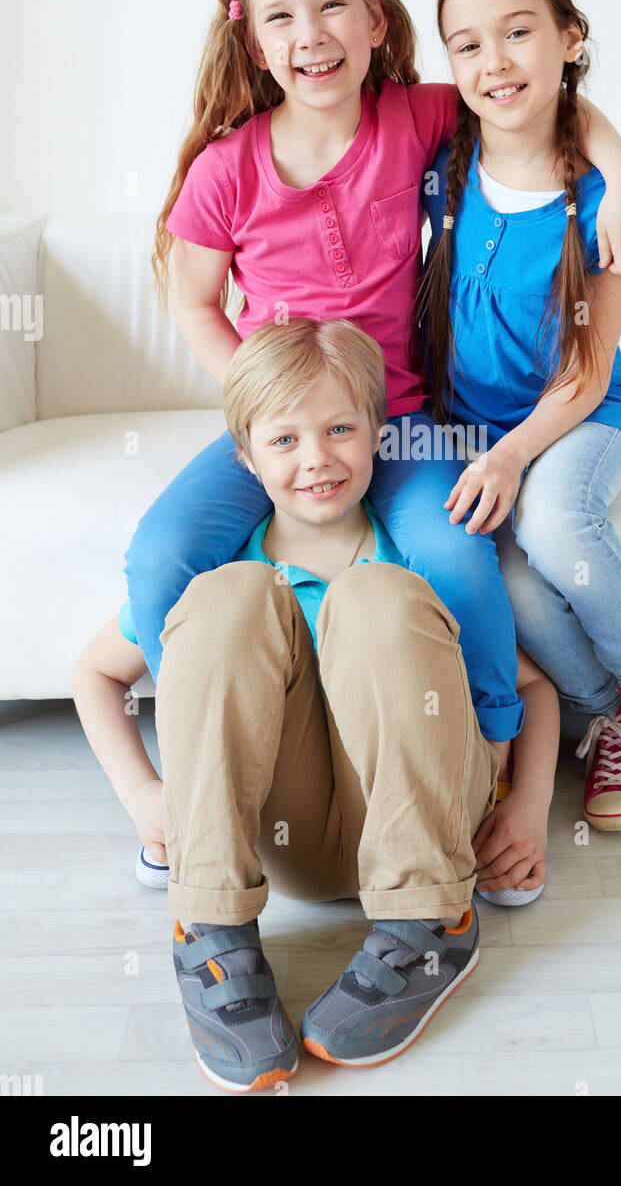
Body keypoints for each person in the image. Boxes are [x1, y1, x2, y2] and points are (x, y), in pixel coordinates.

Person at [123, 0, 621, 764]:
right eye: (282, 18)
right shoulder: (226, 170)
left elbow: (538, 102)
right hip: (272, 431)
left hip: (406, 421)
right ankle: (204, 764)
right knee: (157, 561)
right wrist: (257, 414)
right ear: (255, 46)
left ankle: (494, 761)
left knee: (457, 562)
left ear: (376, 18)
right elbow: (192, 299)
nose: (313, 35)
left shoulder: (416, 119)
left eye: (333, 6)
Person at [72, 317, 561, 1089]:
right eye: (285, 441)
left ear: (377, 434)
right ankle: (213, 929)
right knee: (228, 598)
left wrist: (530, 805)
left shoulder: (417, 547)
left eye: (340, 430)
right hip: (280, 835)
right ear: (245, 457)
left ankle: (433, 923)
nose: (317, 460)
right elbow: (95, 675)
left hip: (423, 824)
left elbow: (530, 684)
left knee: (375, 597)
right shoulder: (224, 559)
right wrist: (144, 797)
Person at [414, 0, 621, 832]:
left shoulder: (598, 199)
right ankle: (615, 713)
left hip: (582, 412)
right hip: (469, 422)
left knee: (551, 523)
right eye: (466, 44)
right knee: (493, 576)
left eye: (518, 32)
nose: (494, 61)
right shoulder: (444, 159)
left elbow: (585, 376)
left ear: (570, 38)